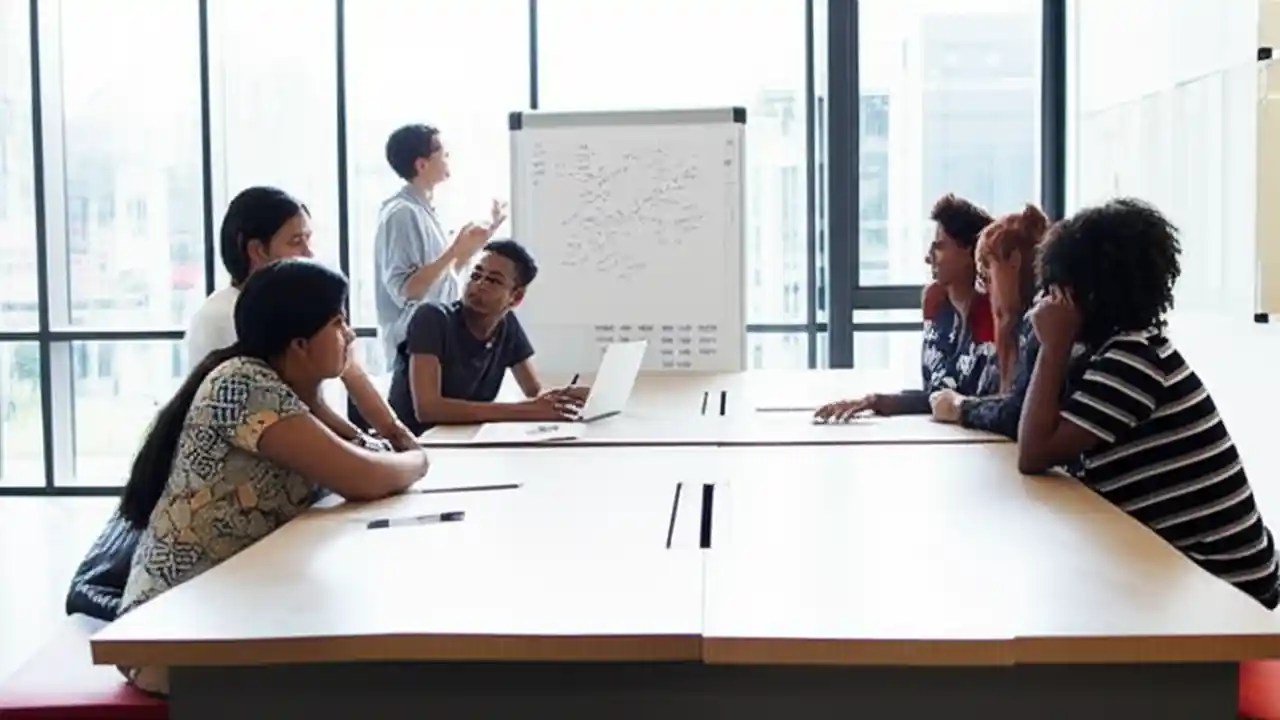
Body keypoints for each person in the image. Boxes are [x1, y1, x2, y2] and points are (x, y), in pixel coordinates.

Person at [116, 259, 431, 695]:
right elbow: (364, 477)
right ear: (300, 343)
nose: (350, 336)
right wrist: (419, 460)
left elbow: (367, 454)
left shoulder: (294, 394)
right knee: (384, 675)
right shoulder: (242, 384)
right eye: (339, 322)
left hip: (238, 608)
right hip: (170, 633)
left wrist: (376, 417)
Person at [1017, 198, 1279, 609]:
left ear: (1082, 293)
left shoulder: (1134, 359)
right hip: (1201, 574)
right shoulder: (1122, 351)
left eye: (1055, 291)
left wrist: (1053, 347)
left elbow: (1033, 451)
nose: (1046, 303)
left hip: (1227, 591)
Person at [187, 186, 417, 451]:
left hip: (325, 461)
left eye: (309, 239)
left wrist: (399, 438)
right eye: (296, 241)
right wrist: (367, 449)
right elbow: (293, 405)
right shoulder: (223, 315)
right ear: (257, 250)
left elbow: (353, 372)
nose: (309, 253)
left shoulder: (300, 303)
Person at [815, 194, 998, 422]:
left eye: (939, 247)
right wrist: (875, 401)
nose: (928, 258)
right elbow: (934, 396)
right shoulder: (937, 305)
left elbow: (985, 403)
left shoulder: (994, 317)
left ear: (971, 252)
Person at [387, 239, 584, 436]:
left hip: (465, 439)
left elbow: (534, 391)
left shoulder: (507, 326)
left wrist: (574, 398)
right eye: (476, 275)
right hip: (415, 443)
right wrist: (527, 410)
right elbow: (428, 409)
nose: (479, 284)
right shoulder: (433, 318)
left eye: (494, 280)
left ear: (516, 297)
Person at [375, 123, 507, 365]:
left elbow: (445, 277)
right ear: (422, 164)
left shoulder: (427, 211)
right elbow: (407, 290)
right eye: (443, 152)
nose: (448, 157)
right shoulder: (402, 213)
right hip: (413, 348)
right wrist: (453, 251)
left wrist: (479, 241)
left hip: (437, 341)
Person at [928, 204, 1050, 439]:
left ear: (1012, 262)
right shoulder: (1020, 327)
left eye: (986, 277)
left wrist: (959, 406)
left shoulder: (1041, 327)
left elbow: (1014, 413)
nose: (987, 292)